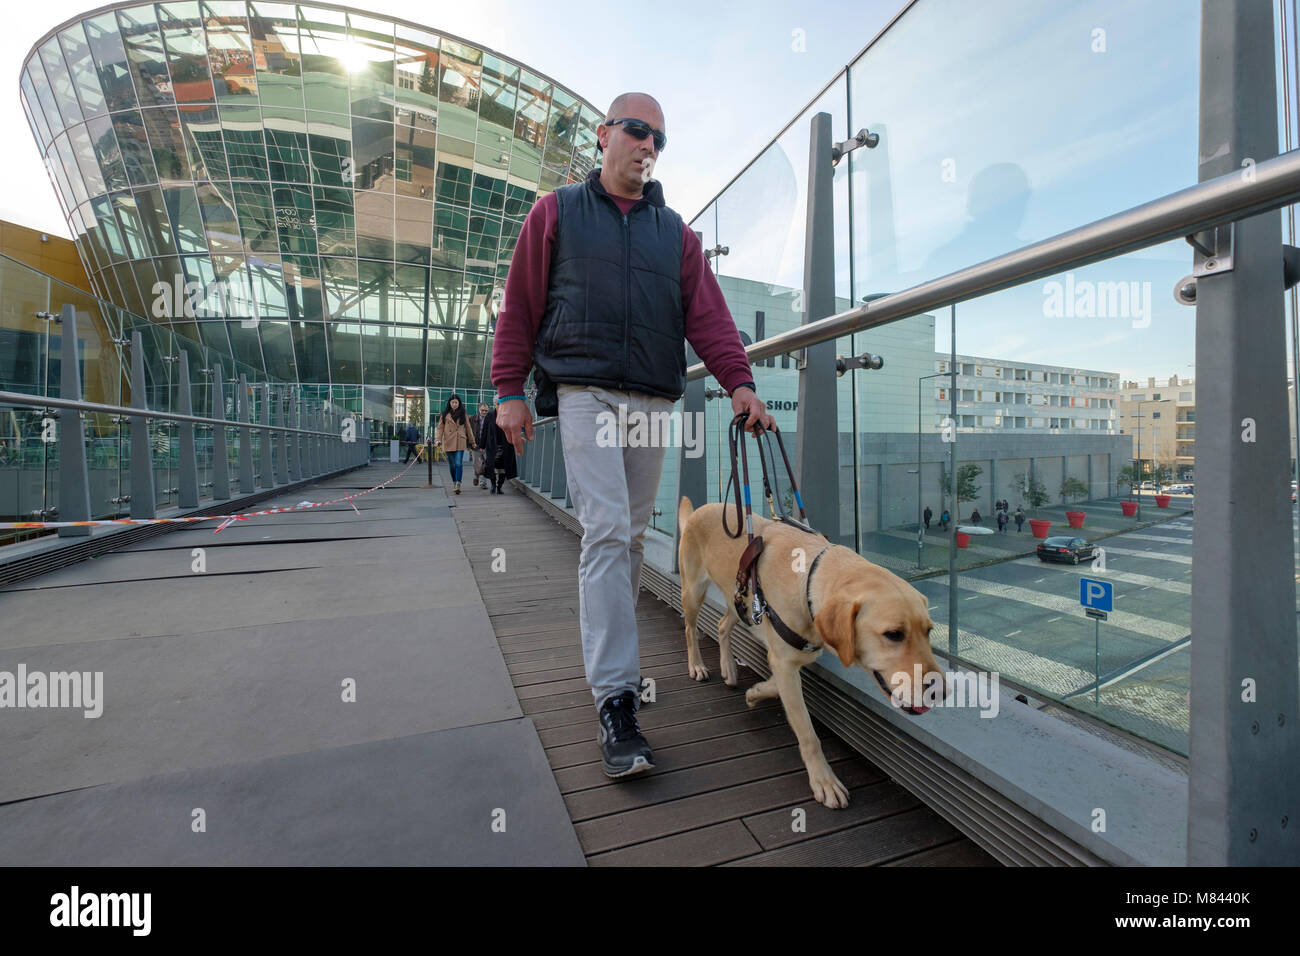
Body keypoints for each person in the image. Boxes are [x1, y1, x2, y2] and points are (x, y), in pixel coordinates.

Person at [490, 92, 771, 779]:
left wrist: (739, 383)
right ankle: (616, 698)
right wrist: (508, 391)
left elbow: (709, 318)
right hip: (583, 390)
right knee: (609, 531)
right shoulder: (556, 211)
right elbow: (520, 304)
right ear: (604, 134)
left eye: (659, 140)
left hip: (651, 397)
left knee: (632, 535)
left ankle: (618, 675)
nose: (648, 145)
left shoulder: (675, 234)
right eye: (638, 130)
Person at [434, 394, 477, 494]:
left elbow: (468, 428)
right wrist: (437, 440)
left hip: (459, 441)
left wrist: (472, 442)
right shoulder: (444, 414)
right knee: (452, 465)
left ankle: (458, 483)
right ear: (449, 403)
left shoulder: (463, 413)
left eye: (456, 402)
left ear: (459, 403)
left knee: (458, 463)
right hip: (448, 441)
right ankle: (454, 481)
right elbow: (440, 428)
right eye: (452, 402)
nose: (454, 404)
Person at [481, 398, 518, 494]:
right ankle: (493, 485)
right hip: (492, 446)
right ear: (494, 404)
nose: (500, 406)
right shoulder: (489, 415)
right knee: (491, 466)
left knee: (504, 467)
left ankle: (499, 486)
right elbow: (484, 431)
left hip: (506, 445)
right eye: (498, 404)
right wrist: (482, 445)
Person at [468, 403, 490, 487]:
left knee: (486, 463)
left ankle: (483, 482)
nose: (484, 412)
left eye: (486, 410)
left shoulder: (491, 419)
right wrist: (470, 443)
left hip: (487, 445)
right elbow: (468, 432)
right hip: (476, 445)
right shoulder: (472, 419)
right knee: (476, 463)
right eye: (482, 410)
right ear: (479, 410)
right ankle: (476, 476)